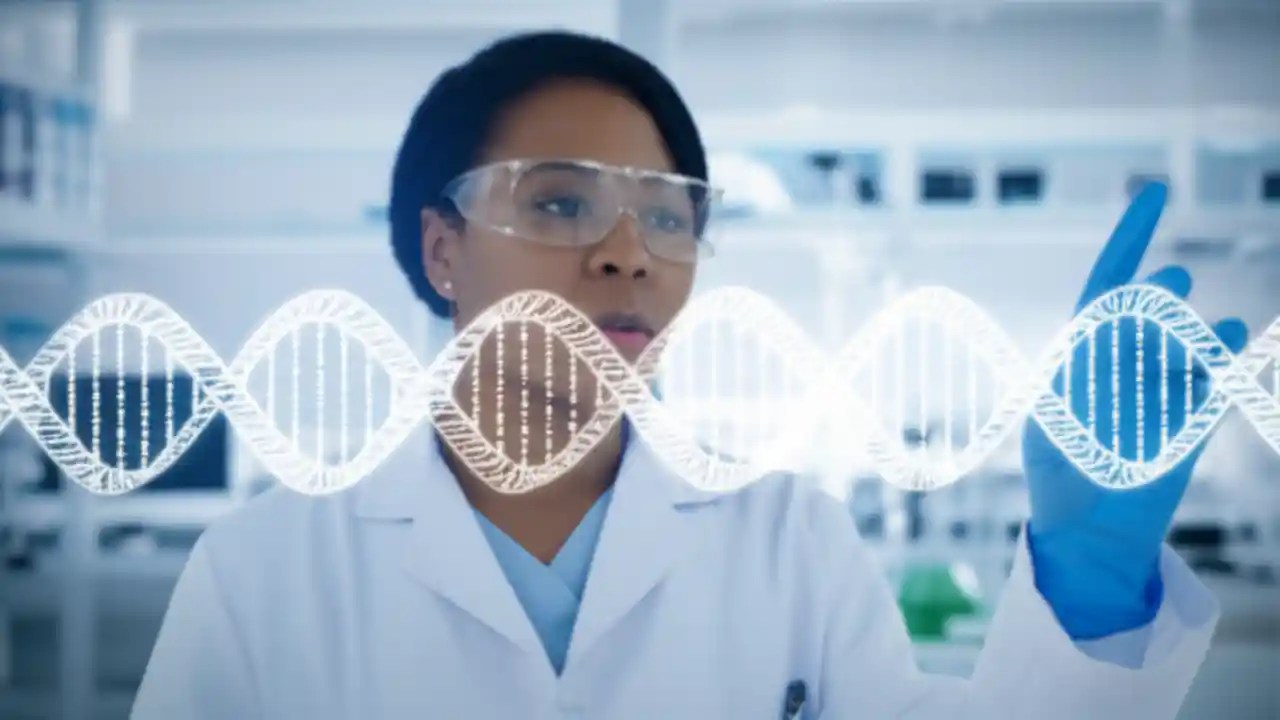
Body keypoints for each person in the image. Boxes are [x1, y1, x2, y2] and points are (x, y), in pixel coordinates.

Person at [131, 31, 1248, 719]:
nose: (630, 253)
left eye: (667, 216)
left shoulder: (790, 544)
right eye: (560, 201)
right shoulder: (264, 574)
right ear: (441, 250)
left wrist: (1087, 589)